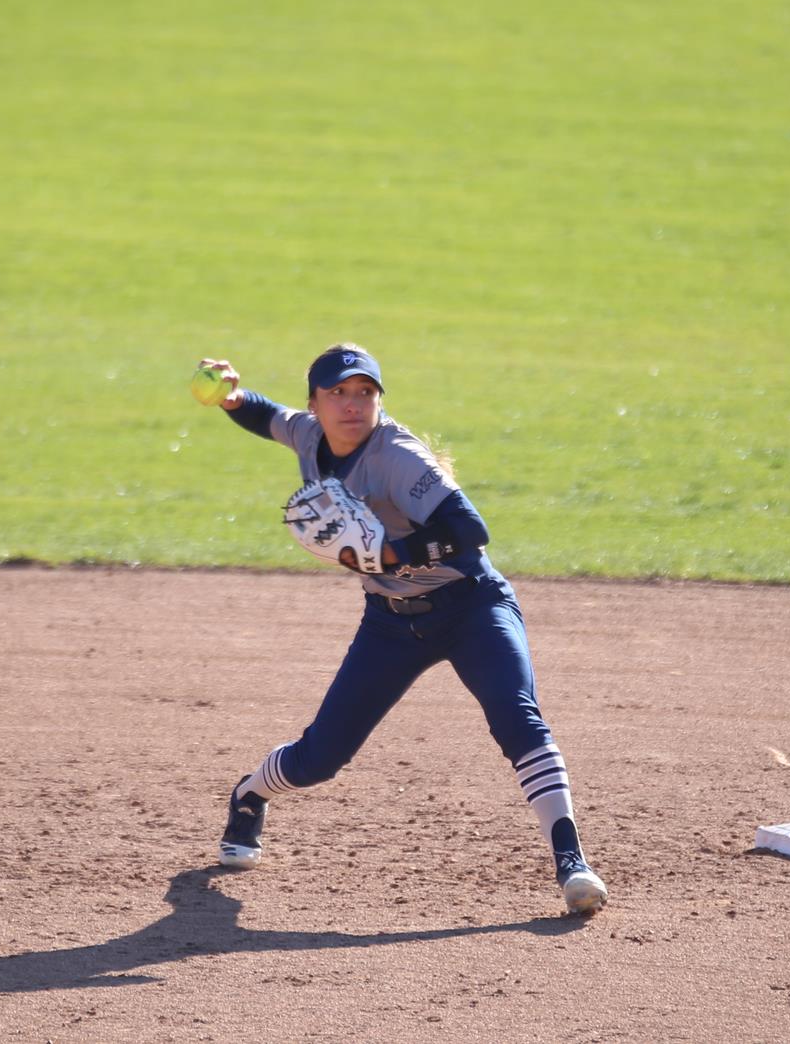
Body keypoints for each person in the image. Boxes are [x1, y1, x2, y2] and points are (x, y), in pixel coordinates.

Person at [191, 344, 607, 914]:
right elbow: (266, 417)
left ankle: (571, 862)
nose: (353, 404)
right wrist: (232, 399)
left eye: (365, 392)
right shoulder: (309, 434)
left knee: (517, 717)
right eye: (338, 393)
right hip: (389, 624)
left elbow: (470, 529)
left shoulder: (401, 457)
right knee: (320, 759)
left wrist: (393, 553)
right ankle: (249, 794)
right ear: (315, 404)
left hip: (471, 608)